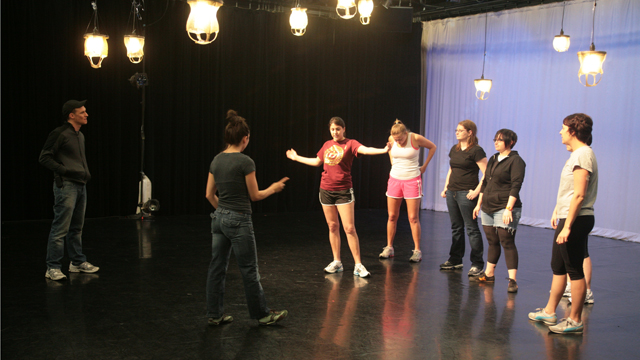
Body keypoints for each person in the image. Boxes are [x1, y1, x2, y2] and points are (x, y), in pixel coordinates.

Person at [205, 110, 289, 326]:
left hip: (219, 219)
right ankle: (262, 314)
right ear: (245, 138)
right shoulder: (245, 162)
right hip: (239, 221)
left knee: (217, 268)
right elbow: (255, 195)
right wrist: (273, 188)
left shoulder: (216, 160)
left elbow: (208, 194)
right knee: (249, 270)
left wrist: (223, 211)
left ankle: (214, 315)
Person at [286, 117, 390, 277]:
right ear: (330, 129)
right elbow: (316, 162)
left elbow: (366, 149)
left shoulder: (351, 143)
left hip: (343, 191)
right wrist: (296, 157)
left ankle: (358, 265)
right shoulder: (327, 145)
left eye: (338, 129)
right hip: (326, 190)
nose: (335, 132)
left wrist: (383, 150)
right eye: (332, 129)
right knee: (333, 226)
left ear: (344, 129)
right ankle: (337, 262)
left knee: (349, 228)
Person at [528, 113, 598, 335]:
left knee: (574, 270)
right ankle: (550, 311)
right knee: (558, 266)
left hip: (576, 220)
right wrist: (558, 211)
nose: (560, 131)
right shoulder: (577, 154)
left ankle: (575, 320)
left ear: (573, 131)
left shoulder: (583, 154)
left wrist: (567, 225)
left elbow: (579, 195)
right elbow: (569, 193)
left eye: (563, 128)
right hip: (568, 216)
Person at [39, 100, 99, 281]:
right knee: (60, 228)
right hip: (66, 185)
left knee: (76, 228)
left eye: (85, 111)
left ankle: (77, 262)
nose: (86, 115)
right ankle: (52, 267)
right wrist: (64, 171)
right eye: (82, 112)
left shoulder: (79, 135)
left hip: (81, 185)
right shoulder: (60, 133)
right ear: (71, 115)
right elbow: (44, 157)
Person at [471, 129, 525, 293]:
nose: (496, 142)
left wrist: (509, 209)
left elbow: (516, 186)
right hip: (488, 205)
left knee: (506, 241)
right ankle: (489, 274)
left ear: (511, 142)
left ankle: (512, 280)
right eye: (495, 139)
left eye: (500, 140)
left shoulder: (516, 161)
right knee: (492, 241)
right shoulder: (494, 158)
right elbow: (486, 182)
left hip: (505, 206)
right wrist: (478, 204)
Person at [379, 120, 437, 262]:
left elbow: (433, 147)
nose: (398, 141)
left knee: (413, 217)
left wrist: (424, 165)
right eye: (395, 139)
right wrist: (392, 160)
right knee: (392, 216)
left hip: (412, 180)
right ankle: (389, 247)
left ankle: (417, 250)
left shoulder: (415, 138)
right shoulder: (392, 139)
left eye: (400, 138)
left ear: (406, 133)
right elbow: (390, 150)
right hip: (394, 180)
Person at [439, 120, 488, 276]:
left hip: (466, 193)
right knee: (456, 228)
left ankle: (477, 263)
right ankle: (455, 259)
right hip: (452, 192)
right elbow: (451, 169)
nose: (457, 132)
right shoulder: (455, 149)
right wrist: (446, 187)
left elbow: (487, 175)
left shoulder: (476, 151)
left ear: (470, 132)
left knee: (471, 229)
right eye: (456, 130)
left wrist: (476, 191)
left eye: (460, 130)